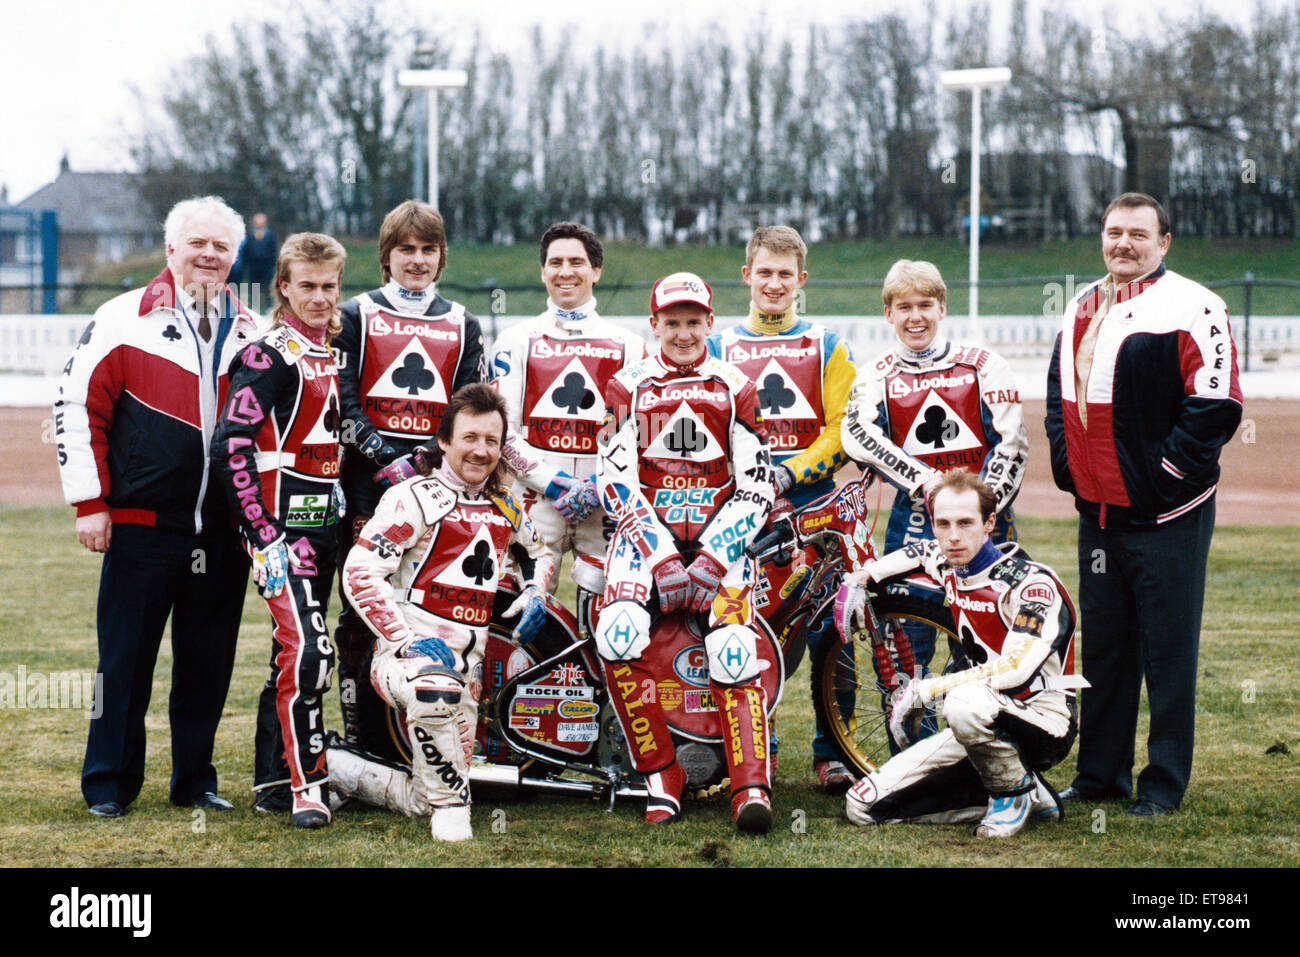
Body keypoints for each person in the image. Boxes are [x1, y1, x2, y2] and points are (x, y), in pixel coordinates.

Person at [54, 195, 260, 818]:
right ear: (171, 248)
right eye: (197, 243)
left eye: (221, 246)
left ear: (235, 257)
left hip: (221, 533)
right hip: (141, 528)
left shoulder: (253, 332)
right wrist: (90, 503)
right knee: (123, 664)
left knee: (206, 665)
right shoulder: (121, 318)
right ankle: (109, 786)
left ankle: (194, 781)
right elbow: (75, 407)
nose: (208, 255)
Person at [1045, 192, 1243, 816]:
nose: (1123, 243)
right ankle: (1102, 776)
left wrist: (1165, 475)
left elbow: (1216, 406)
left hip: (1166, 516)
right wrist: (1068, 468)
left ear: (1164, 242)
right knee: (1103, 647)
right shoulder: (1081, 304)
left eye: (1137, 233)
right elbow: (1060, 397)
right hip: (1099, 516)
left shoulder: (1195, 304)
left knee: (1167, 647)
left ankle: (1163, 783)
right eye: (1113, 232)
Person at [328, 383, 554, 841]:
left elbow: (540, 554)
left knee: (422, 798)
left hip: (469, 668)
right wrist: (403, 640)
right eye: (470, 438)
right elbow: (360, 571)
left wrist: (535, 593)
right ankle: (454, 812)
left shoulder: (506, 503)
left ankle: (338, 766)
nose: (481, 450)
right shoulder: (412, 496)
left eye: (492, 440)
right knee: (435, 698)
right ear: (445, 441)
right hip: (405, 658)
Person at [595, 272, 776, 833]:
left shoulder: (737, 385)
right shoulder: (625, 387)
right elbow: (614, 483)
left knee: (734, 650)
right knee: (617, 632)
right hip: (647, 541)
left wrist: (712, 559)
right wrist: (663, 560)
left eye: (693, 321)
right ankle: (662, 773)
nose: (682, 332)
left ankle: (750, 788)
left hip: (719, 541)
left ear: (710, 324)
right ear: (654, 324)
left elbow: (758, 485)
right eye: (671, 322)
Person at [841, 259, 1028, 745]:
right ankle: (916, 756)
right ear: (888, 313)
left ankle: (989, 748)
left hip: (989, 529)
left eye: (925, 305)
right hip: (914, 529)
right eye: (904, 307)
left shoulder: (983, 365)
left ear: (942, 307)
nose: (915, 317)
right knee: (908, 647)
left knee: (991, 643)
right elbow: (855, 433)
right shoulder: (875, 375)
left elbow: (1012, 445)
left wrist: (976, 513)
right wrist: (927, 484)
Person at [839, 471, 1083, 837]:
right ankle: (1025, 788)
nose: (953, 536)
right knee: (862, 805)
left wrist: (928, 689)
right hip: (978, 714)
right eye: (943, 524)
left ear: (989, 524)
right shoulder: (949, 563)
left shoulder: (1033, 585)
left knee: (962, 700)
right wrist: (859, 580)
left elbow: (1014, 670)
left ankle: (1012, 793)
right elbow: (917, 552)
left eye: (966, 523)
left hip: (1045, 720)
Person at [332, 200, 486, 765]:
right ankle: (364, 741)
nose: (417, 260)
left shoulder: (464, 321)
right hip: (367, 487)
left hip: (436, 486)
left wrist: (421, 459)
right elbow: (342, 400)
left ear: (441, 257)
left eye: (428, 250)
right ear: (386, 256)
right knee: (362, 610)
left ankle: (429, 738)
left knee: (431, 606)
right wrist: (380, 456)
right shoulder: (354, 315)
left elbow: (468, 406)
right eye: (406, 250)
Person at [707, 225, 858, 794]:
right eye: (763, 272)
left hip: (817, 508)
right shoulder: (718, 347)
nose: (774, 283)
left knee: (832, 631)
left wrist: (791, 472)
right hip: (743, 512)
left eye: (785, 274)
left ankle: (834, 750)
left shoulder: (827, 344)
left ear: (802, 280)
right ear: (746, 275)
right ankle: (752, 745)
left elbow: (843, 429)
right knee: (747, 627)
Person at [211, 232, 349, 828]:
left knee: (294, 653)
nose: (319, 298)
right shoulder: (268, 355)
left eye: (329, 287)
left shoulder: (326, 352)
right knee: (311, 651)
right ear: (284, 288)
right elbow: (231, 446)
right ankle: (306, 787)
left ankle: (273, 778)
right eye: (308, 287)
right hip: (280, 527)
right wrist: (261, 532)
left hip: (326, 524)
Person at [489, 222, 644, 628]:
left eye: (577, 261)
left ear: (596, 271)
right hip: (535, 501)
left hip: (604, 502)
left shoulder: (629, 344)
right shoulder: (515, 340)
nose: (565, 271)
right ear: (542, 272)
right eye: (555, 262)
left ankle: (600, 692)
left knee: (612, 616)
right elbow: (504, 432)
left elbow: (635, 432)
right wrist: (556, 484)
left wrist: (597, 486)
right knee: (516, 612)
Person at [232, 212, 277, 311]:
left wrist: (272, 266)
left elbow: (273, 251)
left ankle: (269, 309)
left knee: (267, 288)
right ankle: (255, 308)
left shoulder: (270, 235)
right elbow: (247, 252)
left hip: (267, 268)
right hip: (253, 268)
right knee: (254, 288)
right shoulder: (250, 236)